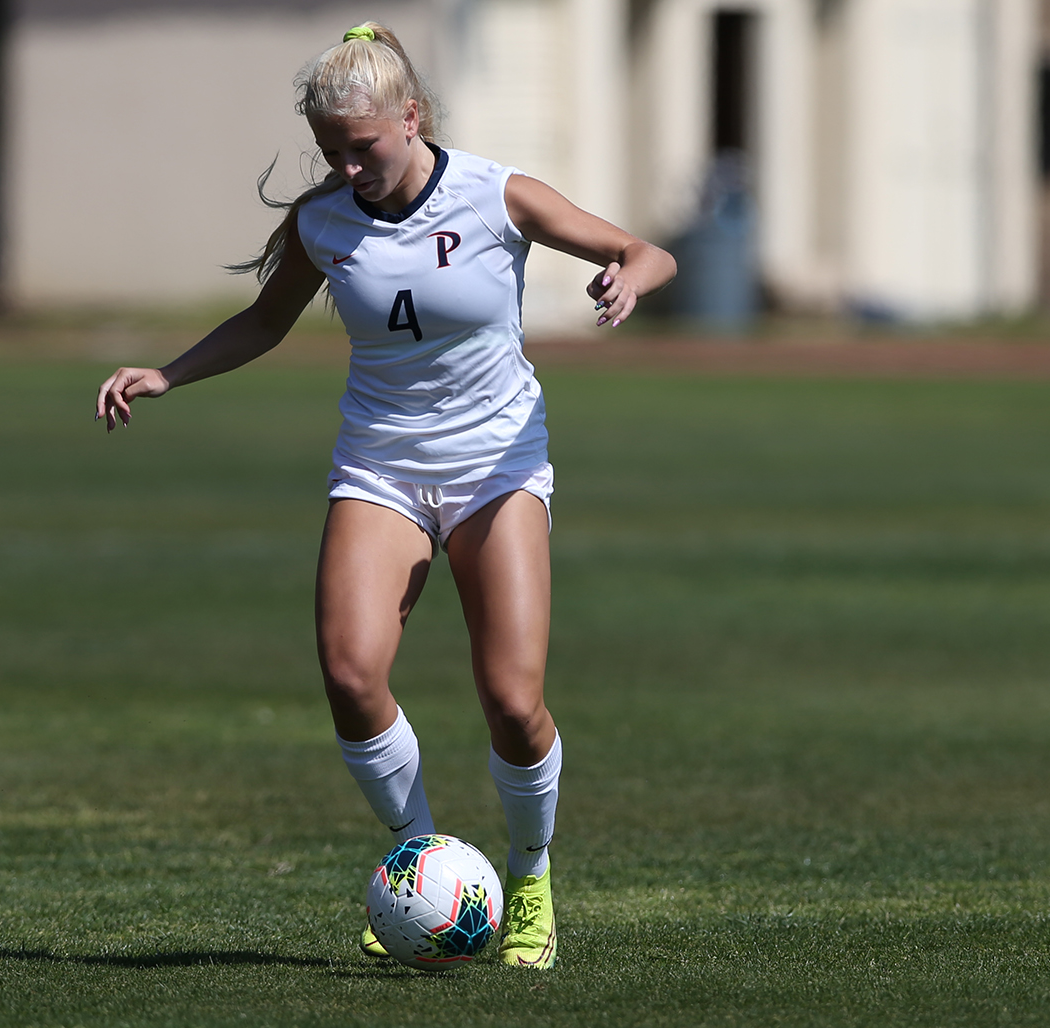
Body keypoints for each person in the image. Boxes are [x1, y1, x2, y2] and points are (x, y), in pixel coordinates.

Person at [95, 23, 675, 970]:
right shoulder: (324, 222)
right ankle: (422, 863)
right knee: (351, 673)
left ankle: (528, 877)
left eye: (361, 148)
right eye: (331, 152)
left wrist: (627, 280)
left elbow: (645, 250)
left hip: (496, 466)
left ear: (411, 118)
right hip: (380, 467)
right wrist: (167, 374)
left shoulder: (498, 193)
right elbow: (263, 321)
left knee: (512, 702)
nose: (347, 168)